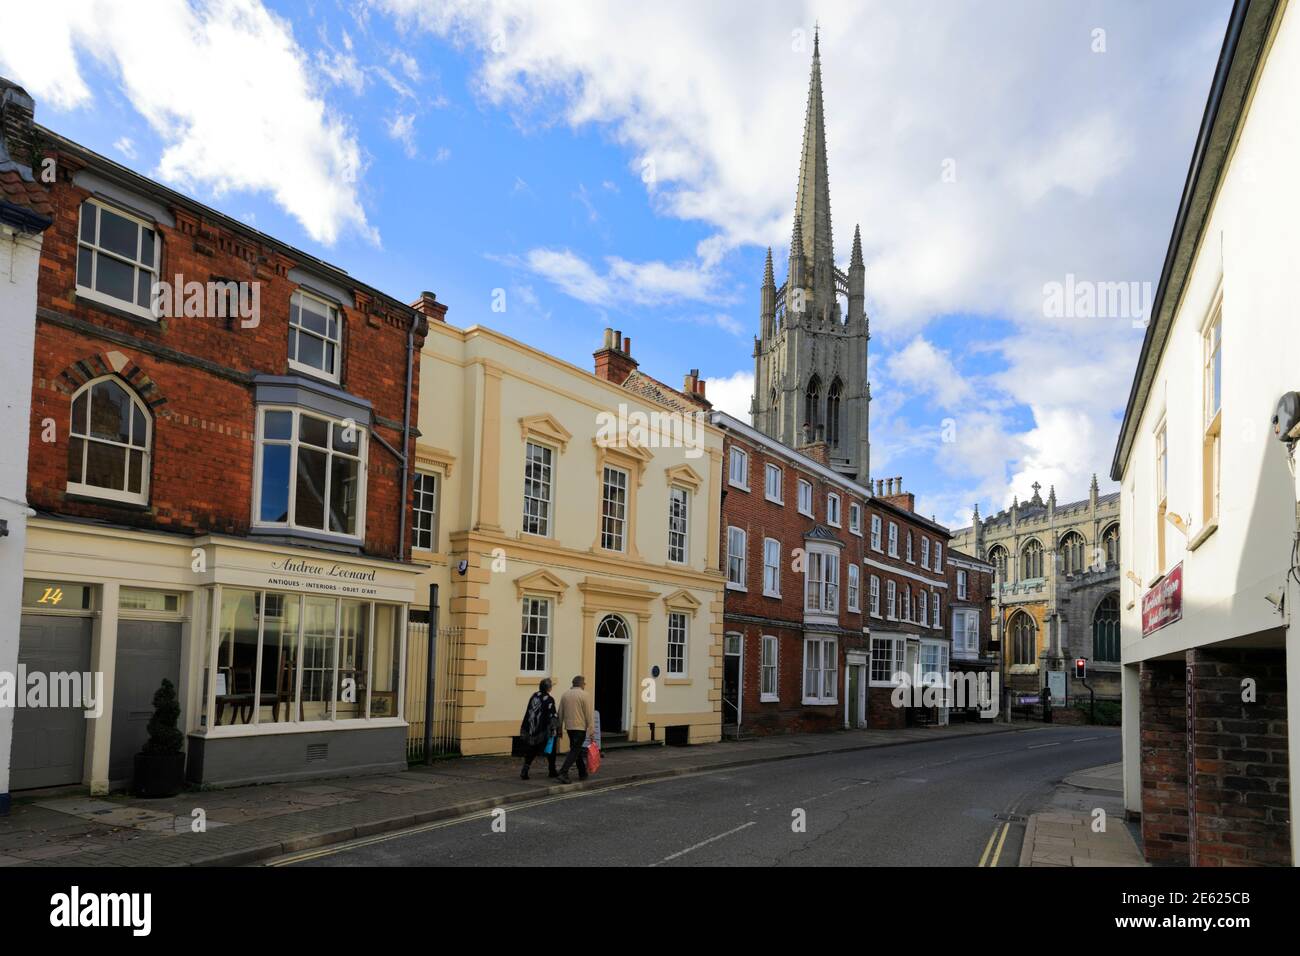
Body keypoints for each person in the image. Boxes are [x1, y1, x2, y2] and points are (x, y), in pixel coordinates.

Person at [556, 675, 594, 784]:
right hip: (579, 727)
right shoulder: (585, 695)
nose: (585, 685)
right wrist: (591, 730)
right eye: (584, 683)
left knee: (575, 749)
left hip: (569, 727)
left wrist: (559, 728)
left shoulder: (565, 695)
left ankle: (582, 772)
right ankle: (563, 772)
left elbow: (560, 713)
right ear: (581, 684)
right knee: (575, 750)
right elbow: (588, 714)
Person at [518, 678, 558, 780]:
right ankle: (552, 771)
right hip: (543, 729)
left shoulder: (534, 696)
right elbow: (552, 715)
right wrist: (554, 729)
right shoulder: (549, 699)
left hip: (532, 728)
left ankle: (525, 770)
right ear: (549, 688)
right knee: (551, 749)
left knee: (532, 749)